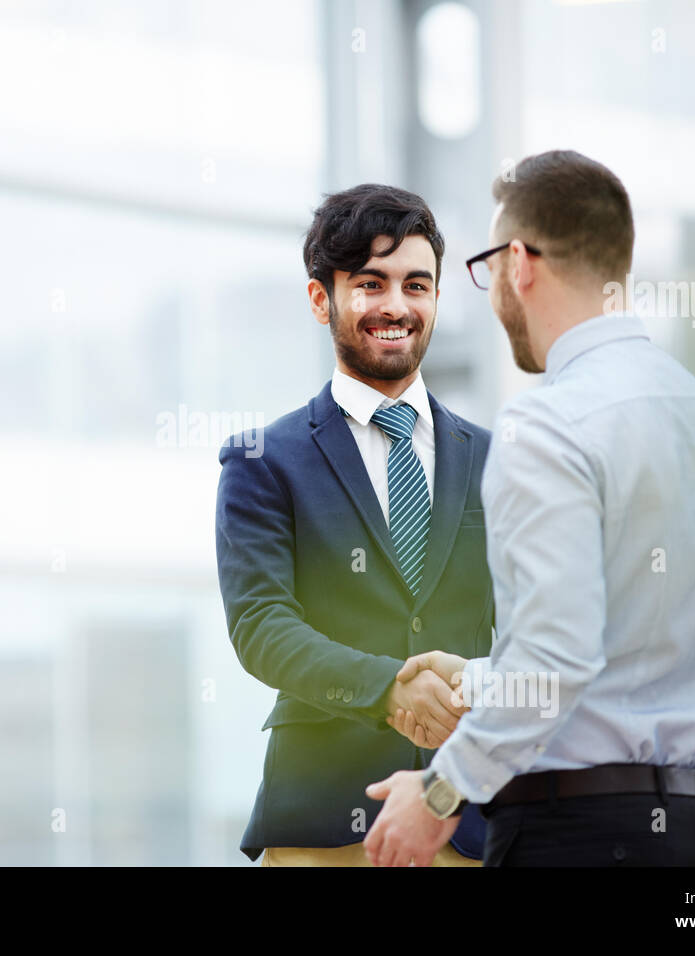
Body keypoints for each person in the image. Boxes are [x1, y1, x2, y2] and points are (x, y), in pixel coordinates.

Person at [363, 150, 695, 866]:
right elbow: (625, 657)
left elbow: (557, 658)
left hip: (574, 840)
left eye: (485, 269)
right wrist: (483, 676)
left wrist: (441, 792)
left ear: (520, 263)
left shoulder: (545, 425)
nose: (489, 293)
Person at [215, 184, 494, 866]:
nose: (396, 306)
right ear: (322, 300)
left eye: (416, 285)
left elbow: (538, 631)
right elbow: (261, 627)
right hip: (323, 824)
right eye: (371, 284)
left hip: (469, 820)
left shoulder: (498, 460)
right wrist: (389, 686)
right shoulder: (263, 460)